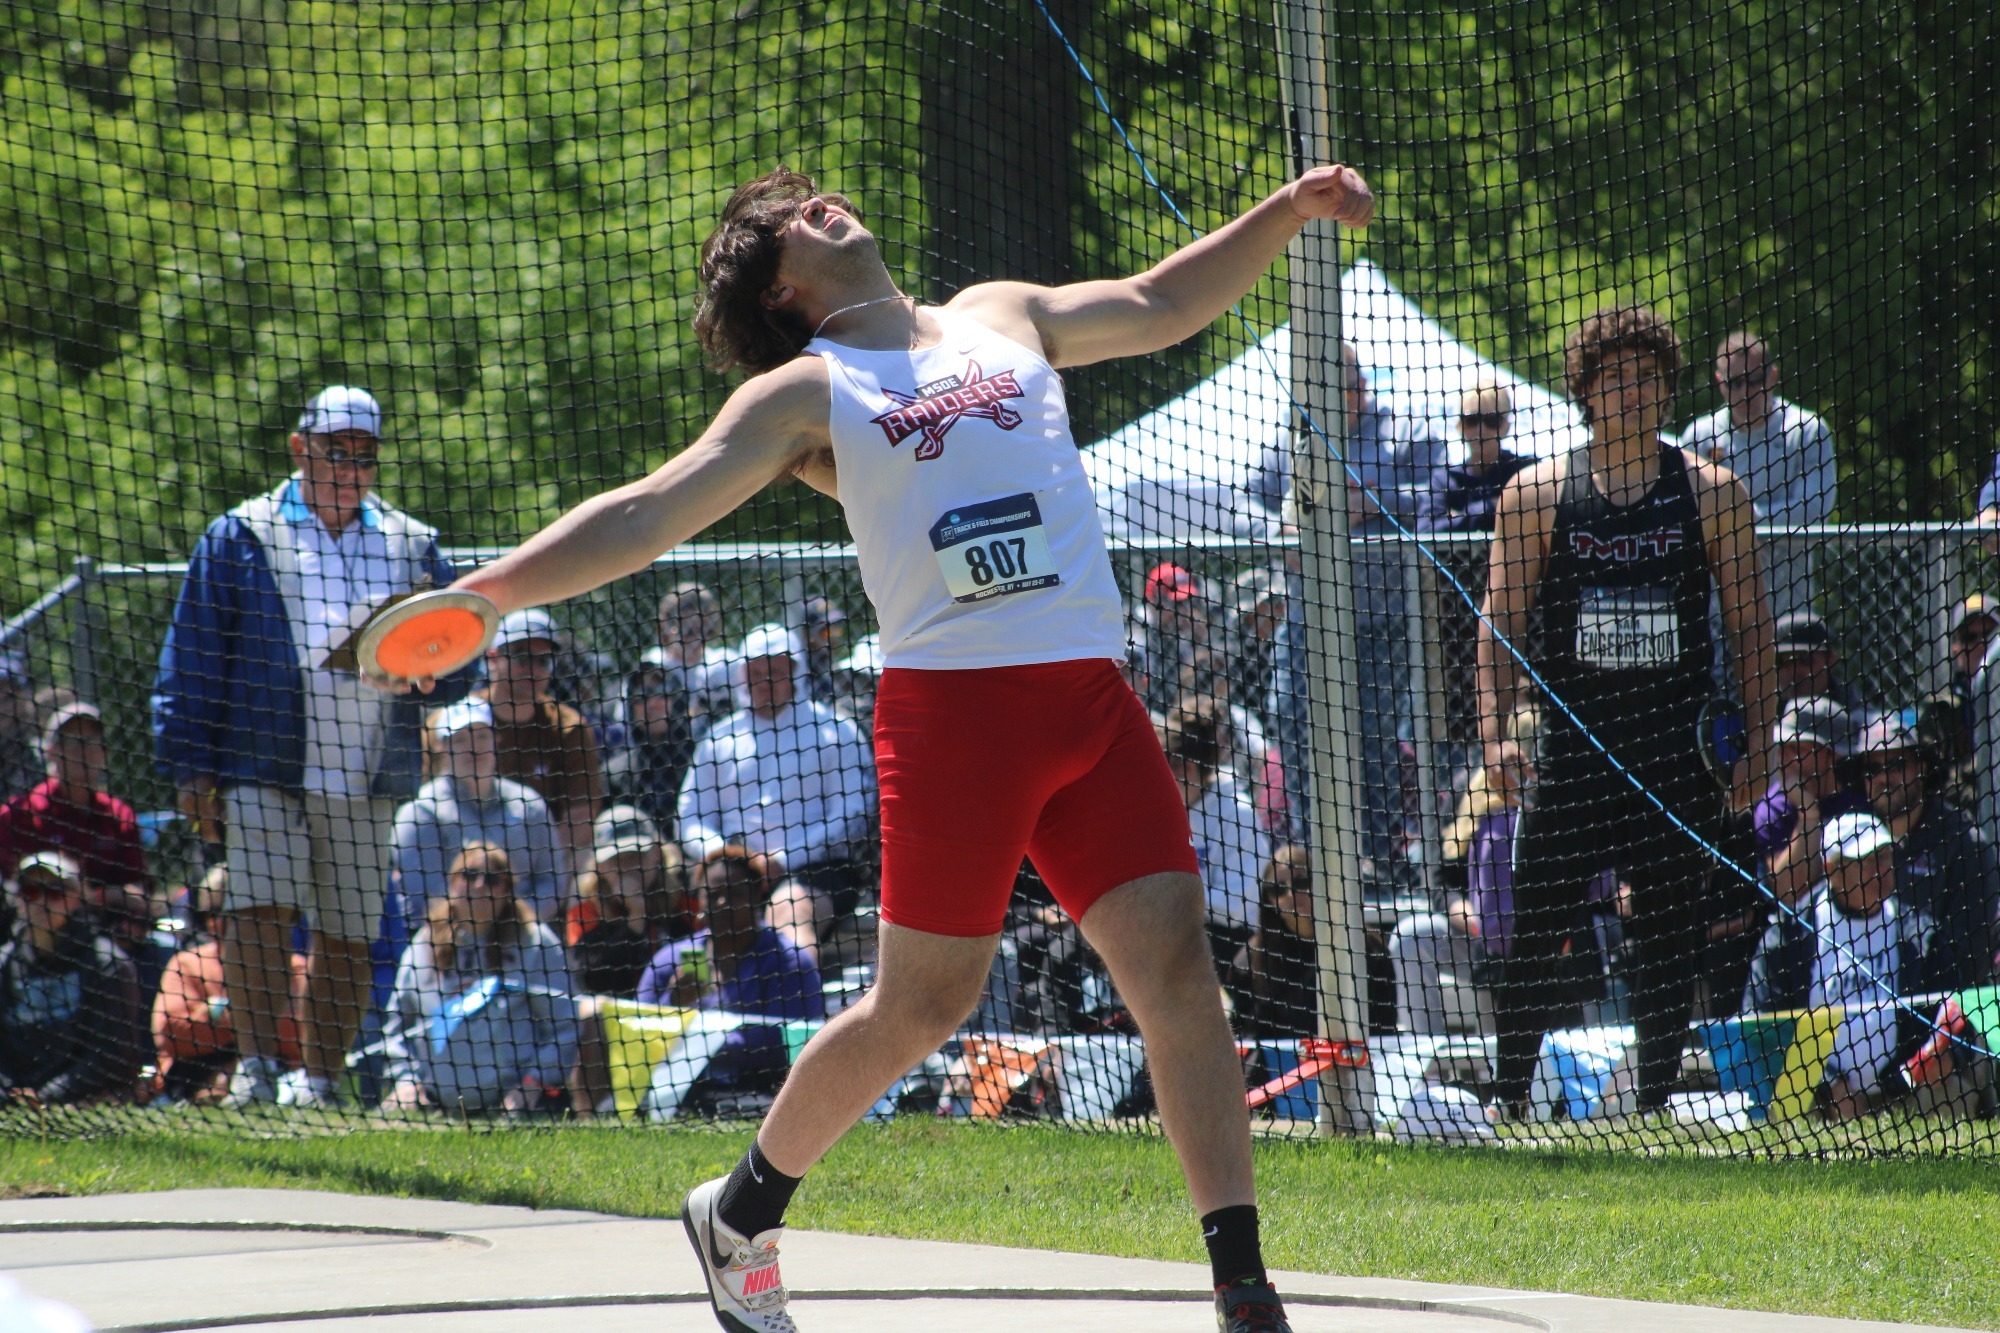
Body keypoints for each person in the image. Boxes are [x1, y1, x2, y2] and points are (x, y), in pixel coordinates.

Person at [444, 161, 1374, 1332]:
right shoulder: (806, 391)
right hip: (954, 719)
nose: (820, 206)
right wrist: (483, 596)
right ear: (784, 288)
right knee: (920, 1009)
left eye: (812, 195)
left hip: (1090, 702)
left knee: (1179, 979)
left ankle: (1241, 1286)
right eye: (790, 222)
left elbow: (1158, 303)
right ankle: (736, 1212)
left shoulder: (1001, 312)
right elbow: (646, 509)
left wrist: (1284, 214)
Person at [1477, 304, 1776, 1121]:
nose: (1633, 393)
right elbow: (1498, 622)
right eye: (1615, 379)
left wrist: (1761, 745)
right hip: (1575, 752)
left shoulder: (1713, 492)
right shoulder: (1537, 492)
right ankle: (1508, 1098)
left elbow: (1751, 627)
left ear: (1669, 390)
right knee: (1537, 925)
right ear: (1586, 392)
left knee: (1670, 934)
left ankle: (1649, 1104)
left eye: (1647, 378)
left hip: (1674, 750)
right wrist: (1495, 730)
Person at [152, 384, 474, 1110]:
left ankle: (320, 1082)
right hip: (262, 758)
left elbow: (462, 655)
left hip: (367, 771)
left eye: (367, 455)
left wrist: (431, 677)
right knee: (257, 909)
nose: (353, 467)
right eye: (338, 451)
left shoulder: (411, 542)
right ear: (302, 447)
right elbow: (194, 656)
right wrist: (189, 767)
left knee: (350, 931)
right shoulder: (241, 533)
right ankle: (259, 1068)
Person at [1269, 339, 1448, 865]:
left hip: (1383, 622)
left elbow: (1438, 498)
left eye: (1337, 389)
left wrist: (1368, 502)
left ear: (1360, 389)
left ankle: (1377, 861)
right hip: (1308, 620)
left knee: (1371, 738)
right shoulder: (1293, 436)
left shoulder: (1406, 432)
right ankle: (1310, 858)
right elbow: (1240, 500)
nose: (1325, 400)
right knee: (1290, 721)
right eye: (1313, 390)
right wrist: (1280, 530)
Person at [676, 623, 876, 967]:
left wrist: (785, 860)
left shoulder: (835, 731)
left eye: (778, 671)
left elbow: (854, 813)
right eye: (756, 671)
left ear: (796, 672)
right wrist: (726, 856)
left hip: (816, 871)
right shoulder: (719, 739)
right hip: (730, 870)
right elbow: (690, 815)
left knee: (791, 912)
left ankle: (798, 1003)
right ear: (742, 675)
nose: (766, 681)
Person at [378, 842, 575, 1115]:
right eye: (469, 876)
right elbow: (398, 1024)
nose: (480, 886)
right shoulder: (424, 944)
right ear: (452, 882)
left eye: (493, 879)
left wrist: (534, 1081)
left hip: (513, 1106)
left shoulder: (535, 943)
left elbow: (566, 1025)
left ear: (507, 891)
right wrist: (405, 1080)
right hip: (431, 1104)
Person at [635, 847, 826, 1113]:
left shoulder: (789, 963)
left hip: (761, 1093)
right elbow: (639, 1033)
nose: (723, 902)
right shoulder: (669, 960)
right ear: (699, 901)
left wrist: (699, 1037)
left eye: (734, 893)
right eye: (713, 895)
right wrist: (674, 1004)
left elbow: (790, 1041)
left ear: (757, 896)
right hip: (677, 1089)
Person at [1682, 332, 1837, 620]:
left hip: (1788, 605)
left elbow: (1814, 511)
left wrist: (1738, 518)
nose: (1746, 393)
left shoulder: (1806, 431)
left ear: (1772, 376)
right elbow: (1684, 514)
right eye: (1735, 383)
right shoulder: (1699, 436)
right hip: (1715, 612)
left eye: (1755, 381)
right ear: (1719, 382)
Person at [1796, 813, 1932, 1121]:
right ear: (1832, 869)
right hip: (1816, 1095)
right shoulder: (1793, 933)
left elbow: (1948, 1011)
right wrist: (1829, 1085)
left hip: (1902, 1086)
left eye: (1884, 856)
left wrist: (1924, 1063)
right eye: (1868, 860)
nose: (1882, 869)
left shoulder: (1917, 933)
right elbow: (1763, 1023)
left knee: (1950, 1090)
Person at [1853, 713, 1997, 992]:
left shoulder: (1966, 845)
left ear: (1921, 766)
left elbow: (1967, 966)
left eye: (1896, 764)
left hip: (1936, 1017)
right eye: (1872, 769)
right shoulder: (1853, 842)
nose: (1884, 778)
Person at [0, 703, 152, 966]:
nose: (84, 752)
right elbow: (17, 891)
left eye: (93, 742)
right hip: (35, 940)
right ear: (51, 752)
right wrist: (101, 896)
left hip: (108, 939)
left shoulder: (118, 814)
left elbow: (136, 888)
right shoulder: (19, 814)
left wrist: (128, 919)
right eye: (73, 742)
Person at [392, 698, 568, 920]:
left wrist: (512, 924)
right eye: (460, 739)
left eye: (482, 736)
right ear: (442, 748)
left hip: (522, 938)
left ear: (496, 741)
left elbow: (551, 882)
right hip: (448, 939)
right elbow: (425, 897)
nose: (473, 747)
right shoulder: (419, 814)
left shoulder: (529, 805)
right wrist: (479, 925)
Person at [0, 852, 145, 1106]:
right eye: (31, 892)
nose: (42, 902)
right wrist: (10, 1094)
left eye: (55, 892)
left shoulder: (107, 963)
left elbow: (111, 1055)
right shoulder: (5, 963)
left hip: (85, 1099)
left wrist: (47, 1096)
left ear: (77, 897)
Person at [477, 608, 606, 867]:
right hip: (469, 861)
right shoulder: (457, 723)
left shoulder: (570, 729)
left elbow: (580, 819)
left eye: (544, 660)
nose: (534, 669)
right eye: (523, 657)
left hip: (544, 861)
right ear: (493, 658)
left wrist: (528, 865)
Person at [1161, 695, 1268, 958]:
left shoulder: (1237, 813)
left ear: (1187, 769)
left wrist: (1172, 896)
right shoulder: (1159, 812)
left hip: (1228, 945)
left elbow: (1237, 906)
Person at [1224, 846, 1318, 1040]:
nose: (1291, 894)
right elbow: (1247, 1036)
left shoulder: (1364, 948)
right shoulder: (1251, 961)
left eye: (1302, 882)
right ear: (1269, 900)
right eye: (1278, 889)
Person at [1419, 376, 1533, 533]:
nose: (1481, 430)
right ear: (1459, 426)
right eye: (1471, 420)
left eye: (1492, 420)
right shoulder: (1446, 479)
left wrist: (1457, 518)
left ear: (1506, 427)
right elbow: (1426, 532)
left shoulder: (1525, 472)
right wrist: (1492, 506)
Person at [604, 659, 697, 836]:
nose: (651, 704)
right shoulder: (616, 772)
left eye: (661, 693)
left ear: (676, 700)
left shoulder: (702, 761)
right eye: (640, 697)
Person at [647, 582, 742, 728]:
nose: (690, 635)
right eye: (682, 626)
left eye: (697, 627)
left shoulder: (726, 664)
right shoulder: (653, 666)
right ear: (666, 625)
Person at [1771, 611, 1865, 708]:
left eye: (1805, 660)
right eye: (1781, 663)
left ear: (1830, 661)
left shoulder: (1860, 718)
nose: (1793, 672)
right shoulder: (1762, 716)